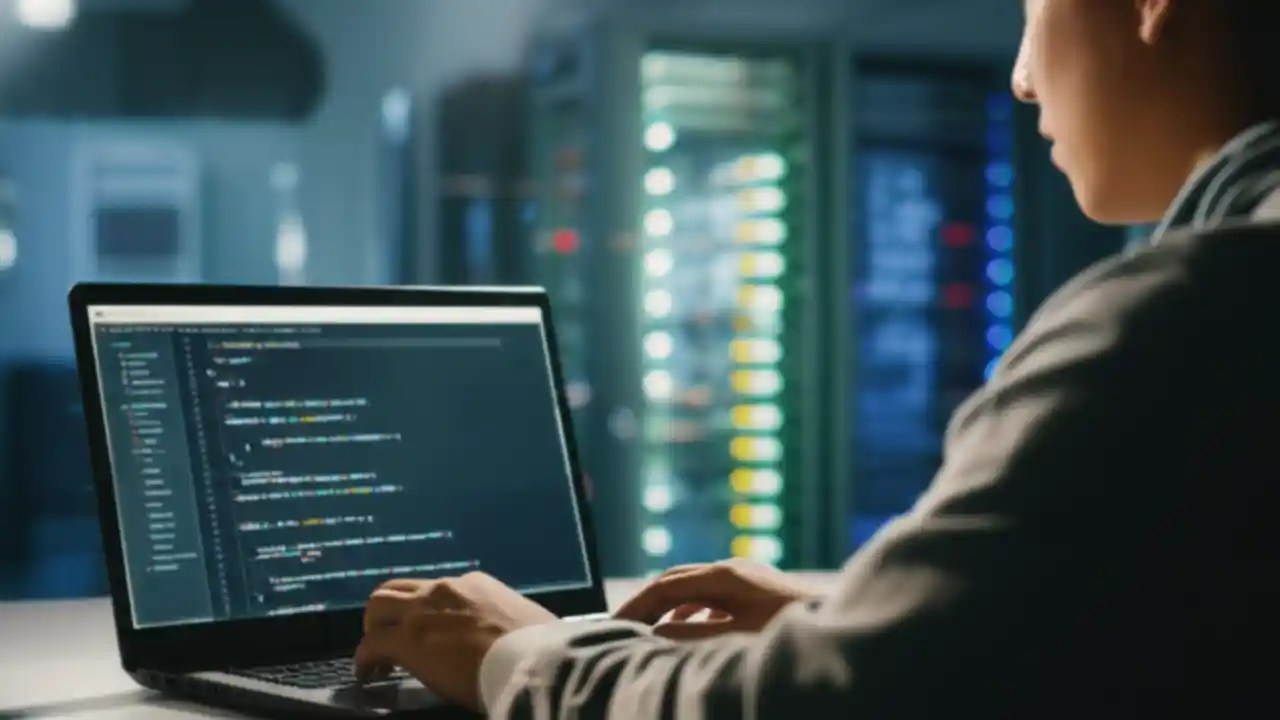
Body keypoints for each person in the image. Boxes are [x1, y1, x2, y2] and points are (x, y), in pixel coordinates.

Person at [354, 1, 1280, 716]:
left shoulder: (1186, 313)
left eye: (1033, 9)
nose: (1023, 77)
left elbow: (827, 709)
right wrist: (863, 625)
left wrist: (522, 655)